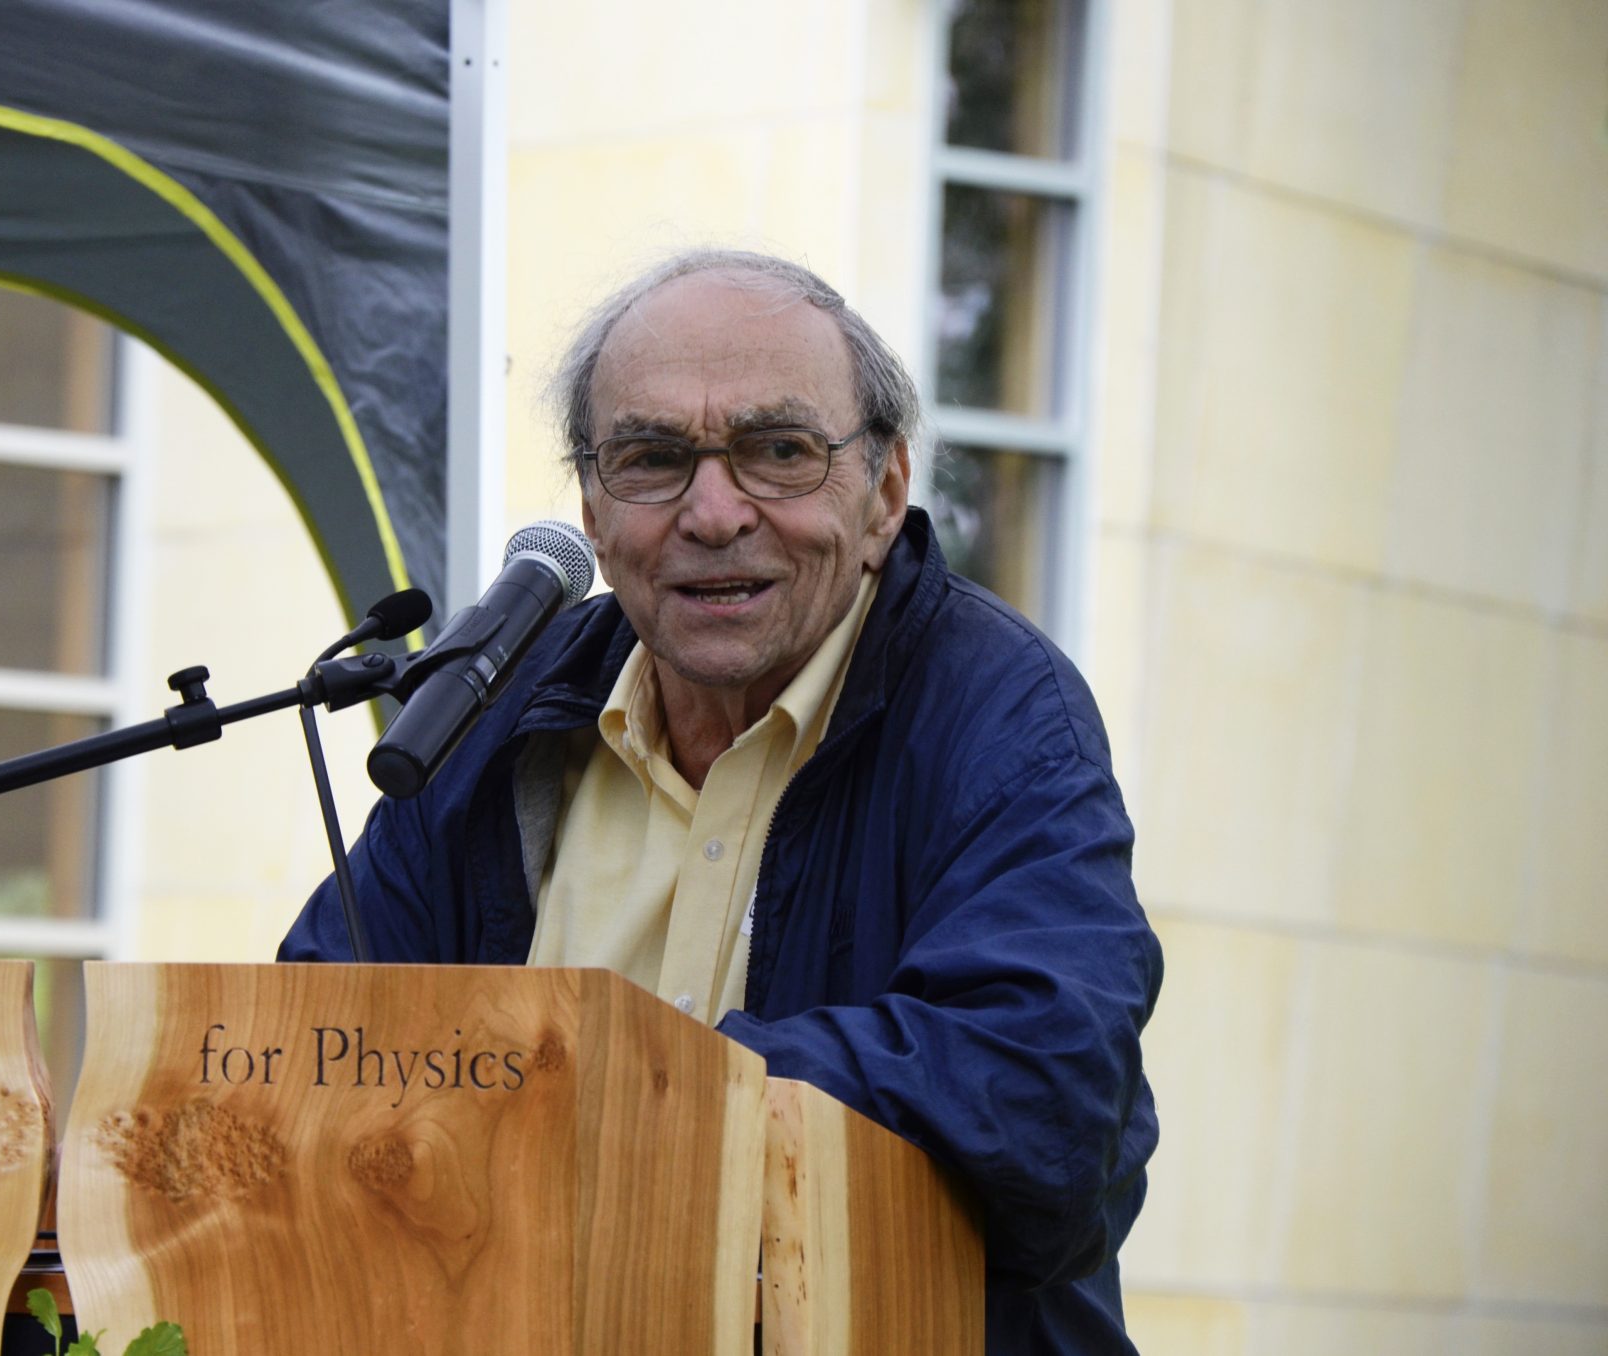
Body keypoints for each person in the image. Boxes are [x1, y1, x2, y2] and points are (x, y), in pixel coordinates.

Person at [282, 248, 1161, 1354]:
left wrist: (607, 1095)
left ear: (884, 492)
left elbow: (1040, 1100)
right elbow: (311, 1041)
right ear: (594, 513)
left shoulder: (998, 711)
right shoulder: (491, 716)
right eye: (650, 459)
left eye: (777, 452)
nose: (711, 513)